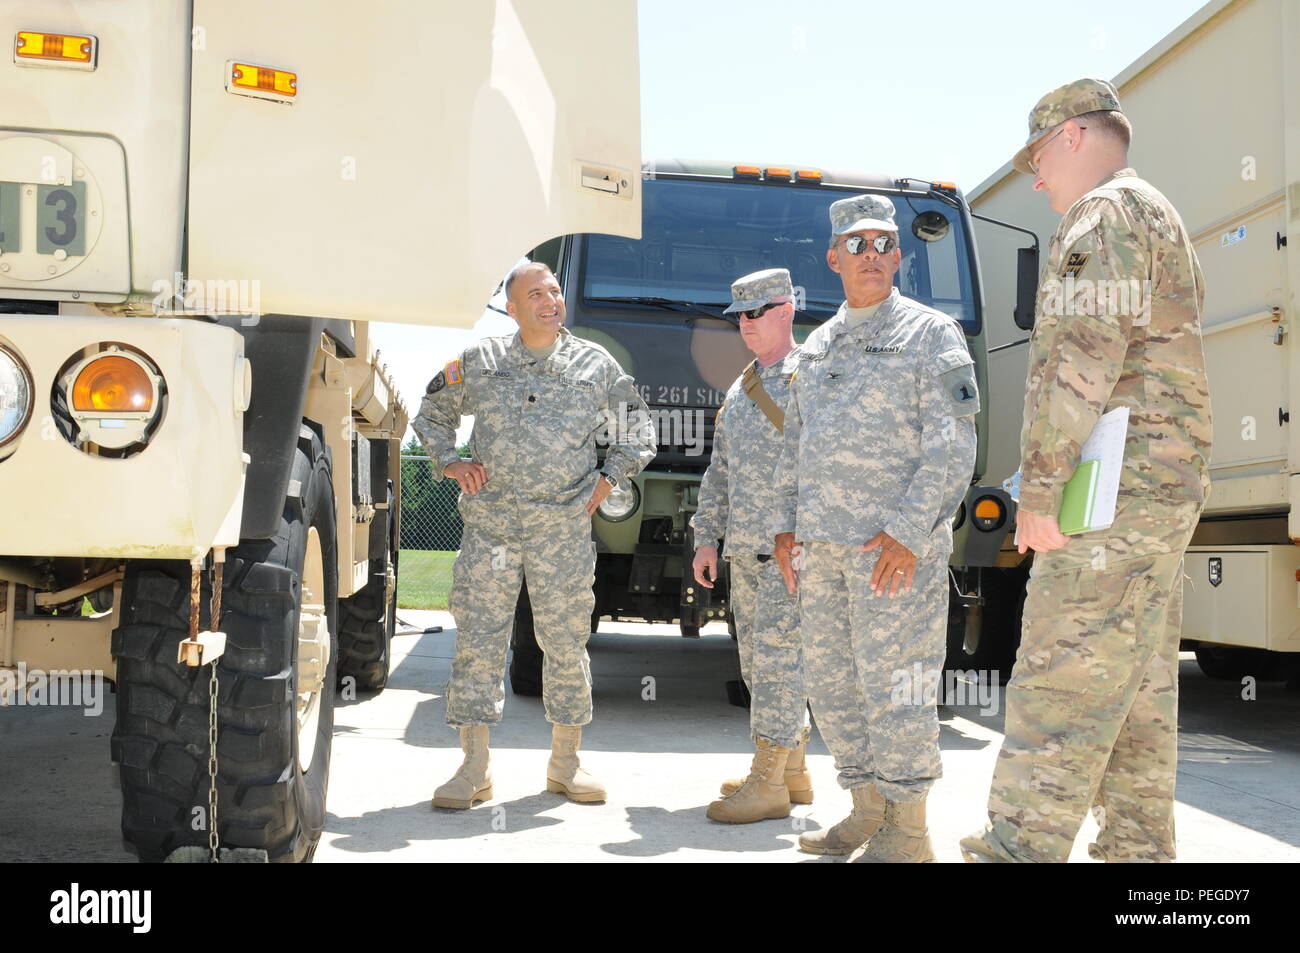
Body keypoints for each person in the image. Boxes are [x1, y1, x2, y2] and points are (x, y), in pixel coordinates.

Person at [960, 78, 1211, 863]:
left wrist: (1040, 494)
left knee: (1059, 679)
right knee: (1137, 688)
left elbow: (1081, 360)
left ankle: (1018, 849)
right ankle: (1138, 857)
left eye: (1037, 156)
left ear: (1073, 136)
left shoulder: (1103, 216)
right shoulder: (1156, 212)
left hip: (1110, 498)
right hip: (1158, 494)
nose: (1035, 179)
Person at [772, 194, 978, 862]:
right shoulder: (819, 345)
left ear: (899, 255)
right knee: (833, 686)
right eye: (855, 244)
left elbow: (953, 445)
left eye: (883, 243)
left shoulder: (930, 334)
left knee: (899, 686)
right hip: (823, 553)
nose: (871, 255)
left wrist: (909, 531)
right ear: (833, 257)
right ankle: (866, 810)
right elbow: (794, 443)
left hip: (894, 553)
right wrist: (783, 527)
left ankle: (910, 829)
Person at [413, 261, 656, 809]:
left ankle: (566, 763)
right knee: (477, 642)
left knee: (565, 643)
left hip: (562, 532)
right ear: (512, 307)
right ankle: (473, 768)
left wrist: (607, 477)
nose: (550, 300)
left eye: (555, 291)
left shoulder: (594, 365)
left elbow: (638, 429)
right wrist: (449, 461)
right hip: (491, 530)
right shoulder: (480, 362)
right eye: (535, 293)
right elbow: (430, 415)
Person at [690, 268, 812, 824]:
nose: (744, 324)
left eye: (755, 313)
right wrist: (706, 538)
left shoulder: (813, 375)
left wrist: (810, 535)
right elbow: (721, 470)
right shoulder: (744, 385)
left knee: (780, 664)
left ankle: (768, 783)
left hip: (794, 551)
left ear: (785, 310)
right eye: (738, 315)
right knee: (759, 665)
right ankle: (791, 771)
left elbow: (829, 466)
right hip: (747, 549)